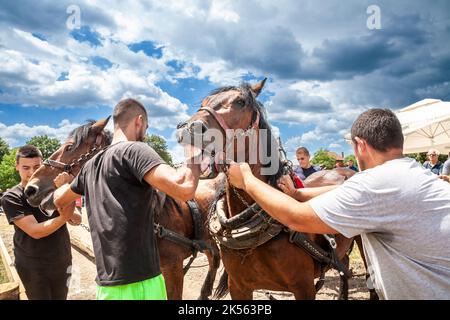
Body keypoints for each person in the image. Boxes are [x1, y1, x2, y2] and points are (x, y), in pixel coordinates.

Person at [227, 108, 450, 300]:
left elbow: (295, 217)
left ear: (360, 145)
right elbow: (344, 189)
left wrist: (247, 180)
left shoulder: (375, 185)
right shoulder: (415, 174)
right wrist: (298, 193)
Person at [52, 98, 202, 300]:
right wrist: (195, 149)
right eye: (146, 127)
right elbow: (184, 189)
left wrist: (63, 190)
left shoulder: (90, 166)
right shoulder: (135, 150)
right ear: (139, 121)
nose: (145, 133)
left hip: (106, 286)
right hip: (141, 283)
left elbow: (60, 200)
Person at [0, 145, 80, 300]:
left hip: (61, 260)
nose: (31, 172)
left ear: (43, 165)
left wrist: (66, 189)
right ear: (17, 167)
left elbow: (77, 219)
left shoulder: (53, 190)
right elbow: (35, 231)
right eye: (25, 167)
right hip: (33, 266)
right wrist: (64, 217)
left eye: (36, 167)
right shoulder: (11, 197)